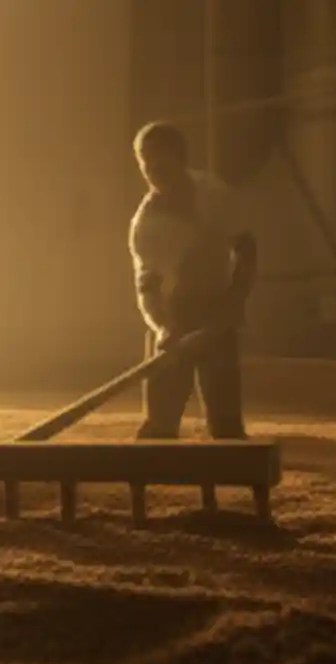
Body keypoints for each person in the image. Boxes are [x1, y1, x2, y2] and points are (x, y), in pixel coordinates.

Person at [128, 121, 257, 440]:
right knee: (158, 428)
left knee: (226, 428)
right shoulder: (145, 225)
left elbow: (246, 249)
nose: (152, 167)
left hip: (218, 305)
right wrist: (164, 328)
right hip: (172, 313)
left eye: (160, 158)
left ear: (180, 158)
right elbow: (147, 287)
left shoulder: (215, 195)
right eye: (145, 160)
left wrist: (231, 306)